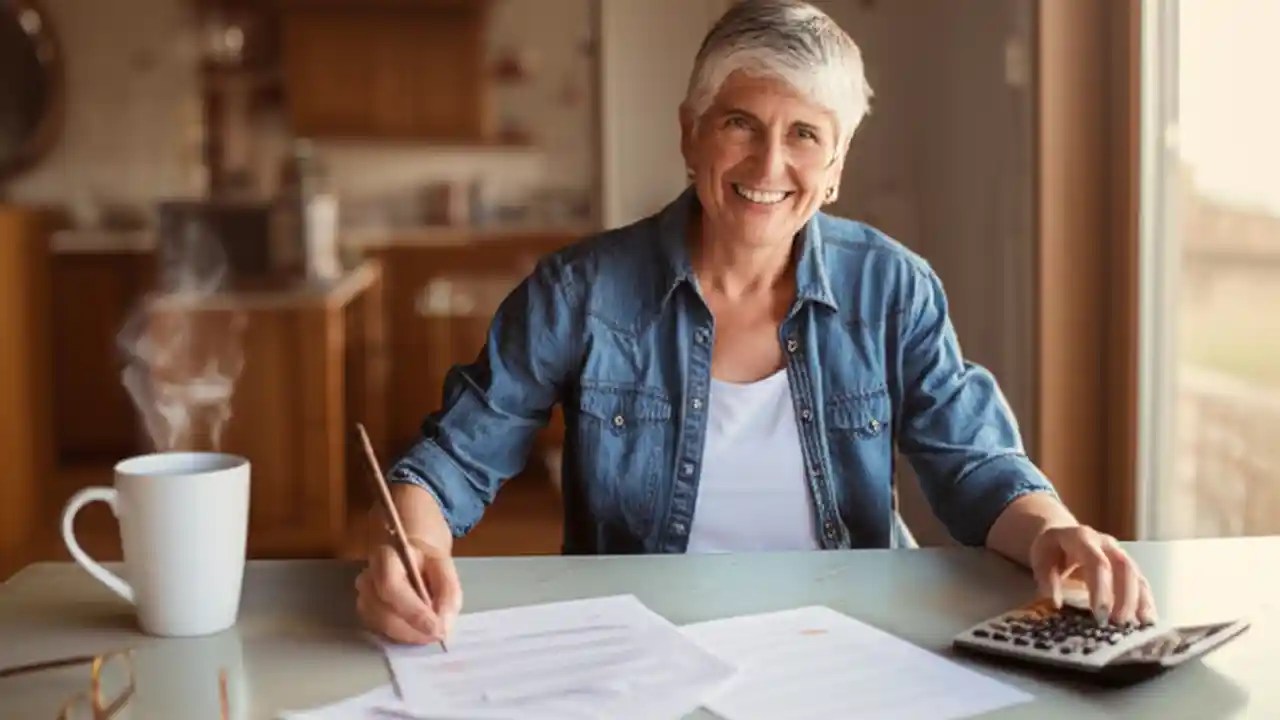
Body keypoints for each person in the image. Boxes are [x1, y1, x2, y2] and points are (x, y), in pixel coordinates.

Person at [355, 0, 1157, 646]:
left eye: (804, 134)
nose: (769, 165)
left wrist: (1055, 530)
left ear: (835, 168)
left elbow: (978, 469)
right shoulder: (580, 290)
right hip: (643, 649)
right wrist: (414, 546)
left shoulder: (893, 288)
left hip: (850, 645)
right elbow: (450, 463)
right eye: (740, 122)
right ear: (690, 132)